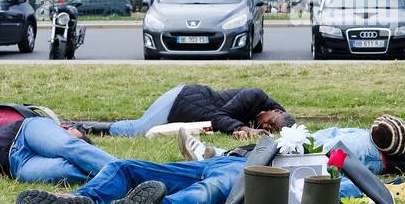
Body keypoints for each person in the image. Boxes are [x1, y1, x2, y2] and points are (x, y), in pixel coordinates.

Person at [15, 155, 249, 204]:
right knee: (124, 167)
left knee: (209, 190)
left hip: (248, 165)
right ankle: (80, 200)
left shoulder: (281, 152)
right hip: (217, 159)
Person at [76, 84, 293, 138]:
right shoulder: (254, 96)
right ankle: (83, 127)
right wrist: (244, 128)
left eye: (270, 129)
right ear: (274, 110)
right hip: (183, 99)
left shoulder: (268, 119)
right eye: (270, 122)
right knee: (139, 128)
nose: (265, 126)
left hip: (191, 108)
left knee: (139, 126)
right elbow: (218, 118)